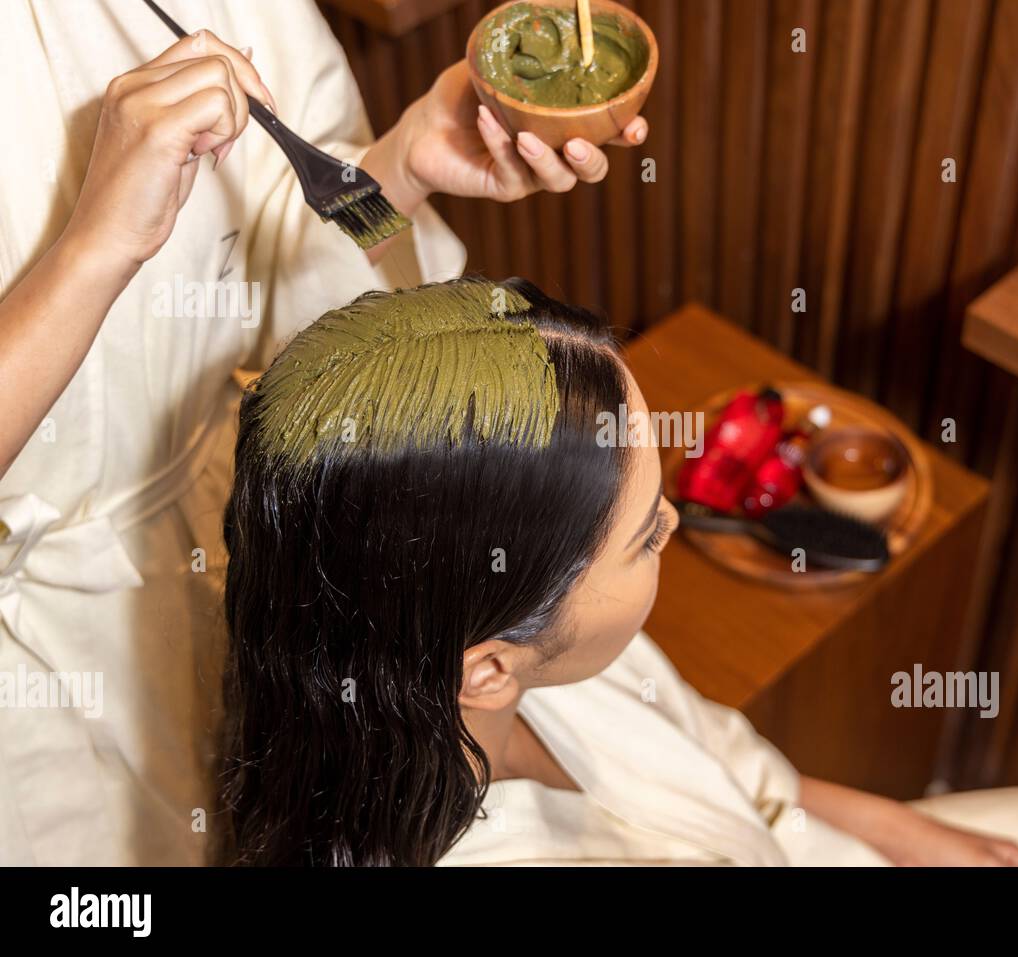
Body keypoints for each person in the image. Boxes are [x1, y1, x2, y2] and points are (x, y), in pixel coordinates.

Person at [220, 277, 1018, 866]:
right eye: (645, 534)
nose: (674, 535)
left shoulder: (524, 668)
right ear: (487, 666)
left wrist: (896, 827)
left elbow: (733, 759)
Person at [0, 0, 647, 866]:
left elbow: (299, 301)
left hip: (254, 520)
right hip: (42, 638)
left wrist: (404, 168)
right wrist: (95, 248)